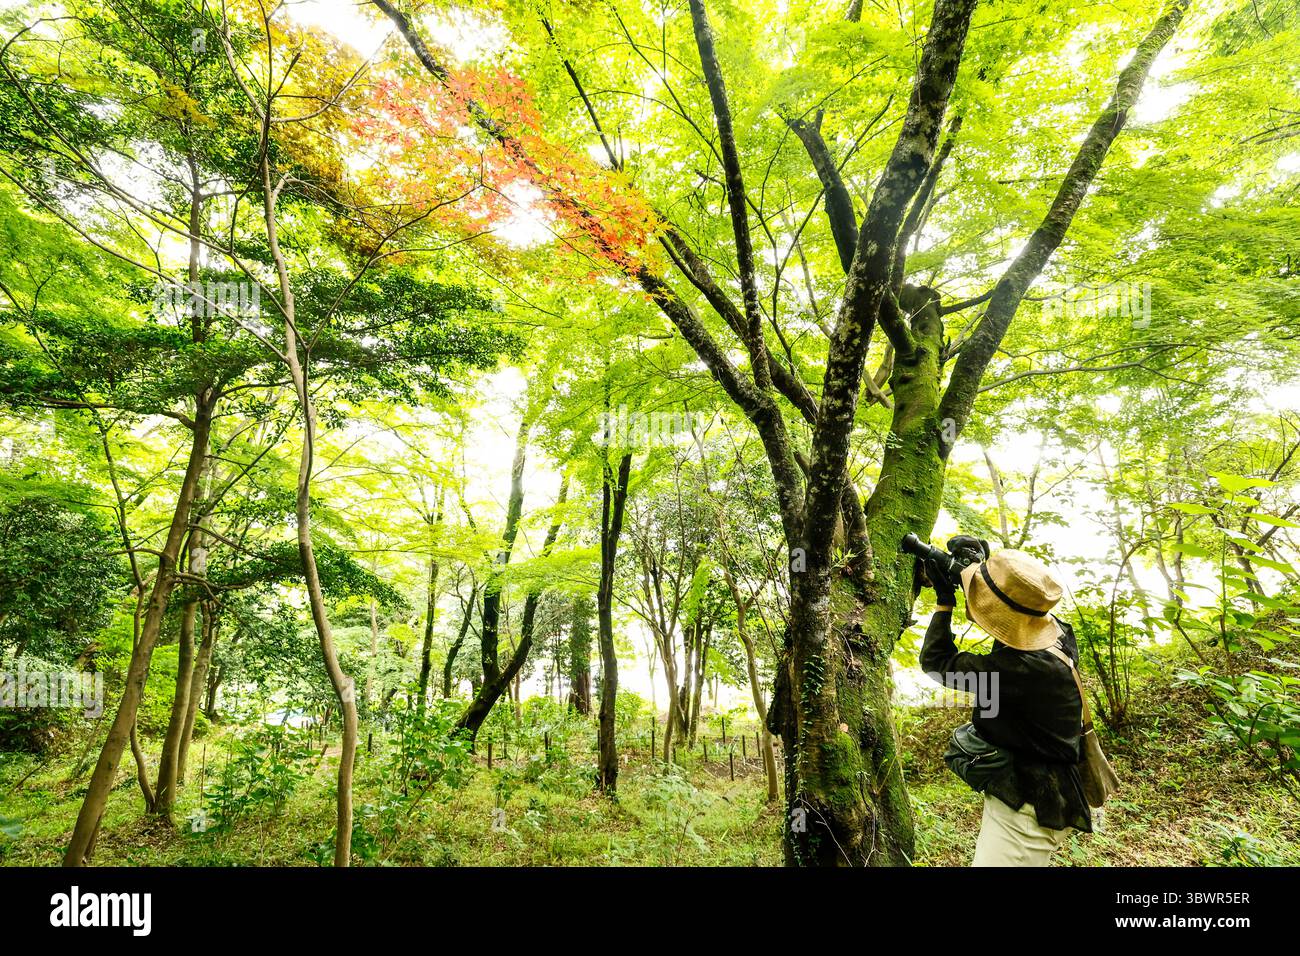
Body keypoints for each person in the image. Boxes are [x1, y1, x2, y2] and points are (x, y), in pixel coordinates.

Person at [919, 546, 1092, 866]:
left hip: (1028, 810)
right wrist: (977, 565)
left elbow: (936, 662)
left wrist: (945, 602)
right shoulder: (1058, 634)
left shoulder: (1016, 670)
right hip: (1040, 794)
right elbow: (1014, 616)